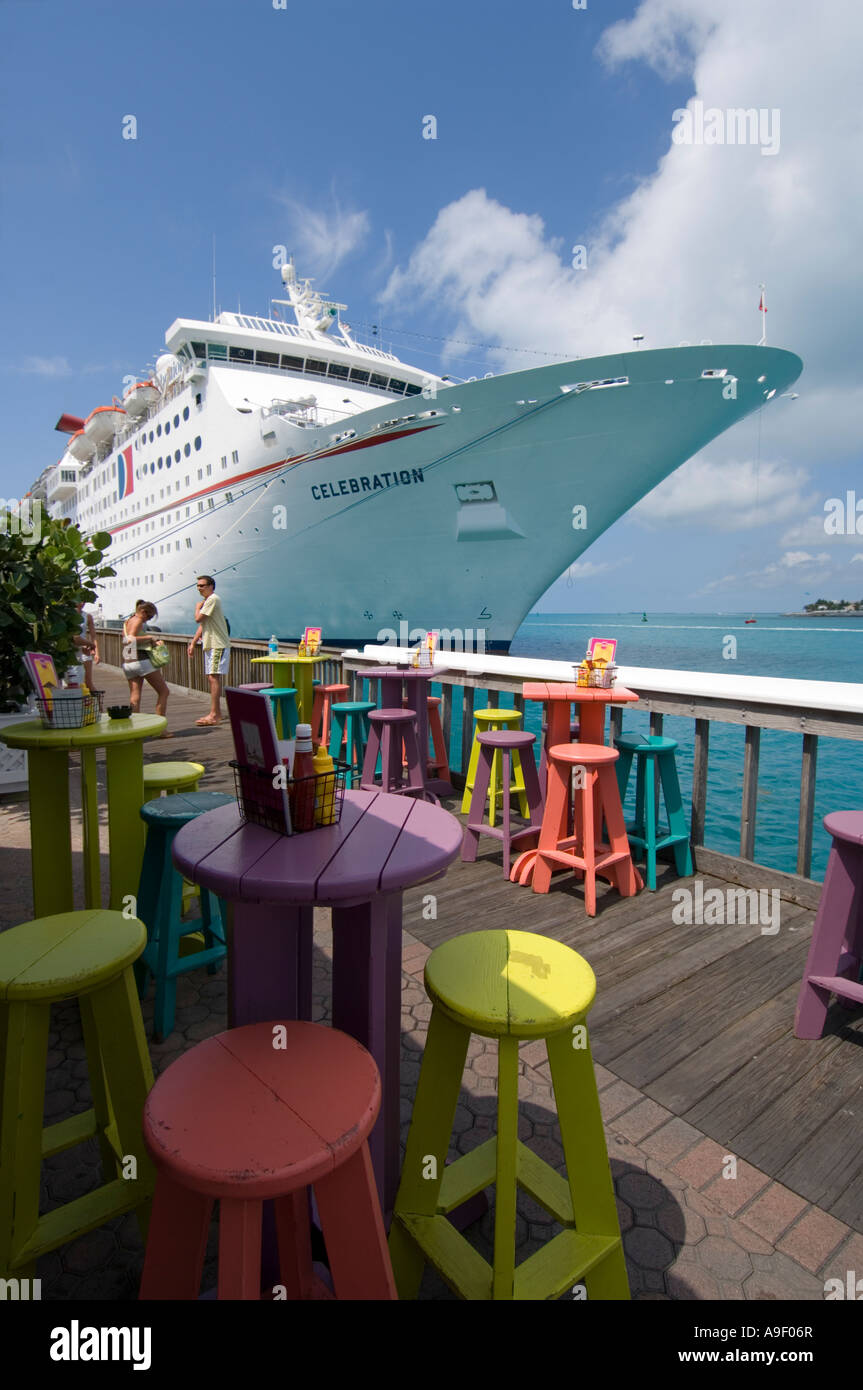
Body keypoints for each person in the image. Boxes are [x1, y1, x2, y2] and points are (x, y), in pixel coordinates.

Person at [122, 600, 171, 735]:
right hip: (140, 661)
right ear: (143, 612)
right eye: (149, 617)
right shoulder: (138, 620)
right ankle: (160, 729)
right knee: (164, 692)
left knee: (135, 697)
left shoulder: (127, 622)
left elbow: (125, 640)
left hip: (128, 662)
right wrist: (150, 637)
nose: (148, 620)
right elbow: (130, 640)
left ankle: (134, 728)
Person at [188, 575, 230, 727]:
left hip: (218, 644)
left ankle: (215, 714)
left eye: (202, 585)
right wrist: (193, 643)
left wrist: (197, 608)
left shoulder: (213, 599)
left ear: (211, 586)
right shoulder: (208, 601)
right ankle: (215, 712)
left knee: (213, 677)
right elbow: (203, 624)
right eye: (198, 586)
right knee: (211, 677)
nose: (199, 588)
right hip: (210, 644)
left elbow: (198, 619)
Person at [73, 602, 99, 691]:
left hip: (85, 648)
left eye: (84, 601)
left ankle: (97, 704)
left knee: (88, 682)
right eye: (80, 600)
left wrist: (97, 653)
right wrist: (89, 644)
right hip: (77, 647)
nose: (82, 603)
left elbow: (94, 636)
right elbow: (74, 637)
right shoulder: (69, 615)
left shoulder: (87, 616)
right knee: (76, 682)